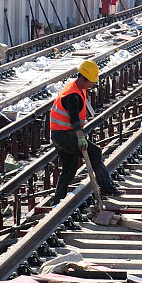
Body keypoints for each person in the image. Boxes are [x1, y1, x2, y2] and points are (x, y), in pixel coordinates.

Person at [49, 61, 118, 204]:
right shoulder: (72, 96)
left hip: (59, 134)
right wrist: (81, 137)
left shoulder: (77, 88)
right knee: (95, 153)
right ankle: (107, 188)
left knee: (69, 167)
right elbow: (74, 119)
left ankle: (58, 200)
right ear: (82, 78)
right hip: (65, 136)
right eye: (91, 81)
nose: (92, 84)